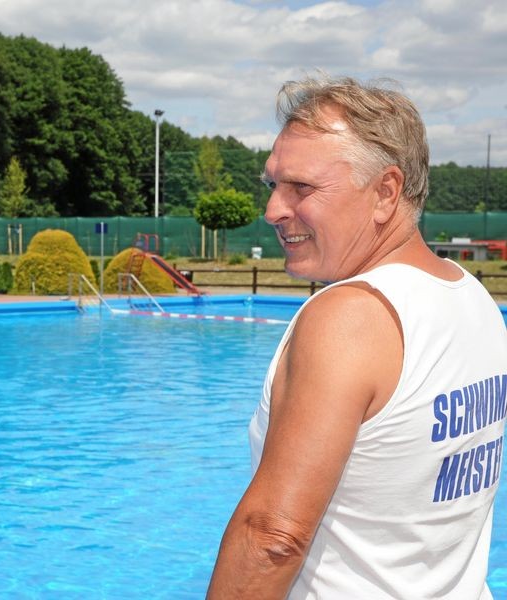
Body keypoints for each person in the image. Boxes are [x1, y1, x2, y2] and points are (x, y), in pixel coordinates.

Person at [207, 75, 507, 599]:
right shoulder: (471, 298)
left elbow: (274, 536)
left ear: (385, 192)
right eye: (273, 184)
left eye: (301, 187)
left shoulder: (349, 316)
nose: (273, 209)